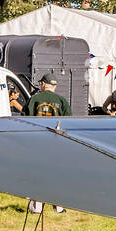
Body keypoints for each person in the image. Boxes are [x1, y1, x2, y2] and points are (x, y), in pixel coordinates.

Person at [25, 75, 69, 213]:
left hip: (37, 143)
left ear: (43, 84)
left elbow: (24, 119)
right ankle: (58, 207)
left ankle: (36, 207)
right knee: (57, 174)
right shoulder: (62, 101)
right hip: (56, 144)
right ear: (54, 86)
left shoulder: (34, 99)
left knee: (37, 174)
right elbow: (69, 123)